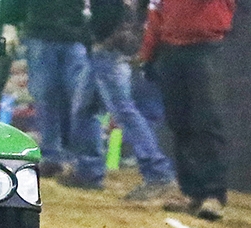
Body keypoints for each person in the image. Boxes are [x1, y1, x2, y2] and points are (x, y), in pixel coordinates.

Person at [61, 0, 179, 202]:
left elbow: (124, 9)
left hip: (111, 47)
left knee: (123, 111)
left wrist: (110, 39)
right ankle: (88, 170)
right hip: (102, 46)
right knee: (85, 108)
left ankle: (158, 173)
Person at [140, 0, 237, 221]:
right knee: (179, 122)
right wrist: (148, 52)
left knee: (207, 120)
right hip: (170, 49)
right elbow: (155, 10)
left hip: (206, 46)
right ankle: (191, 191)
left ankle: (213, 193)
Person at [4, 0, 95, 177]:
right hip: (47, 34)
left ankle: (67, 157)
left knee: (74, 101)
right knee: (49, 98)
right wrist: (11, 23)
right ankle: (55, 157)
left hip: (71, 35)